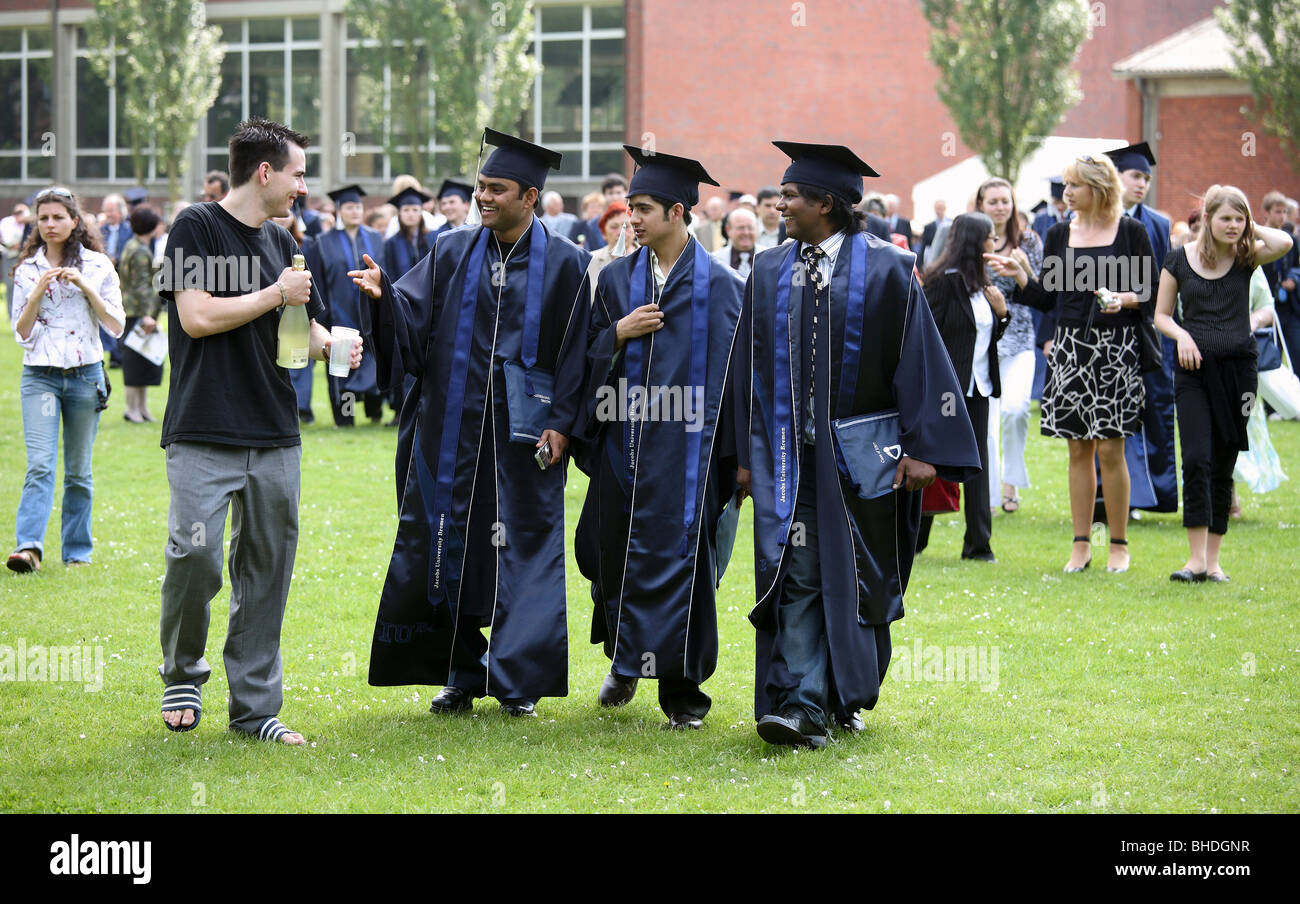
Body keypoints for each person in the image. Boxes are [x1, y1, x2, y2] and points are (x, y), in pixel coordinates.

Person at [732, 141, 981, 749]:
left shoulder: (890, 268)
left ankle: (848, 693)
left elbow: (920, 359)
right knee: (797, 570)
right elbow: (746, 366)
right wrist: (741, 454)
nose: (779, 204)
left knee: (866, 578)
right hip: (791, 459)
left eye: (791, 196)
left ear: (828, 203)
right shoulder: (768, 270)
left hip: (869, 456)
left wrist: (924, 450)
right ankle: (801, 704)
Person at [353, 128, 591, 719]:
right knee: (446, 542)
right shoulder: (453, 249)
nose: (482, 197)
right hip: (449, 432)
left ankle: (519, 681)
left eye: (496, 189)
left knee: (527, 549)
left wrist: (563, 422)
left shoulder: (568, 263)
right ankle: (459, 672)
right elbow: (413, 322)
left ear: (529, 197)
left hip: (525, 439)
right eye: (480, 186)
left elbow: (581, 352)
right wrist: (386, 300)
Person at [154, 118, 363, 744]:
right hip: (204, 426)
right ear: (265, 172)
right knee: (193, 555)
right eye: (298, 173)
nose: (304, 186)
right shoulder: (196, 225)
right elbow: (195, 317)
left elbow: (303, 327)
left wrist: (336, 345)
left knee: (266, 570)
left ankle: (255, 711)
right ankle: (182, 672)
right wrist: (276, 293)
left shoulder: (285, 240)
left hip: (274, 431)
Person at [572, 145, 743, 730]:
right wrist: (616, 334)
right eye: (628, 207)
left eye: (643, 208)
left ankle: (683, 694)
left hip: (690, 457)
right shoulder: (616, 280)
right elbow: (581, 357)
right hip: (624, 446)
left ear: (677, 212)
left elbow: (741, 381)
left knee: (685, 568)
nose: (631, 219)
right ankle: (623, 662)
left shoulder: (722, 287)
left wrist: (737, 460)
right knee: (613, 556)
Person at [988, 154, 1154, 574]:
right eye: (1065, 185)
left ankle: (1118, 544)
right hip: (1070, 349)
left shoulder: (1131, 232)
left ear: (1098, 188)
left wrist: (1125, 299)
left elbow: (1152, 290)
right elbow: (1048, 298)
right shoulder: (1061, 233)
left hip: (1116, 349)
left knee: (1113, 450)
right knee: (1078, 450)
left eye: (1074, 185)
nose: (1067, 192)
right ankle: (1081, 545)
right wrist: (1022, 276)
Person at [1155, 185, 1293, 582]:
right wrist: (1181, 336)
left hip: (1240, 372)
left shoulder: (1248, 256)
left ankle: (1213, 563)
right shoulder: (1179, 259)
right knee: (1196, 458)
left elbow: (1284, 241)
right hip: (1193, 373)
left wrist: (1252, 225)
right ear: (1208, 219)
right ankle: (1194, 560)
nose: (1233, 226)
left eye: (1240, 219)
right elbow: (1161, 315)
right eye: (1226, 218)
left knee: (1224, 461)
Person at [7, 187, 124, 574]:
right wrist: (37, 294)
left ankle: (77, 551)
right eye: (43, 218)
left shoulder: (98, 266)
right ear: (36, 225)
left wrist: (87, 288)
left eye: (58, 217)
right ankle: (29, 549)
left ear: (75, 222)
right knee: (40, 465)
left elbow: (115, 325)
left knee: (79, 470)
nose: (50, 224)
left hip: (85, 377)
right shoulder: (26, 271)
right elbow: (21, 334)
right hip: (40, 378)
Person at [916, 212, 1010, 561]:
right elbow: (927, 335)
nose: (994, 243)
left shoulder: (984, 284)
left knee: (978, 464)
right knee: (931, 460)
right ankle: (915, 538)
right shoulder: (940, 281)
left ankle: (978, 545)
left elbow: (983, 338)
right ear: (974, 241)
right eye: (990, 237)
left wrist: (1002, 315)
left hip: (979, 388)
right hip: (946, 391)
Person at [1105, 141, 1178, 517]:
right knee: (1111, 416)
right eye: (1135, 175)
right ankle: (1114, 499)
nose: (1142, 184)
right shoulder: (1097, 221)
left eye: (1147, 178)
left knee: (1155, 410)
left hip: (1148, 333)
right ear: (1116, 176)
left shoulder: (1159, 224)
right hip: (1105, 333)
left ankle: (1156, 494)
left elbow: (1166, 282)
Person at [975, 178, 1043, 515]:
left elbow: (1043, 290)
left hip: (1019, 339)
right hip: (982, 343)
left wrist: (1021, 270)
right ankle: (988, 495)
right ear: (981, 204)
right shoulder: (971, 239)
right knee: (986, 425)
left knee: (1016, 410)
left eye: (1006, 201)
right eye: (993, 201)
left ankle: (1011, 482)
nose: (1001, 207)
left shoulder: (1028, 240)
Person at [305, 185, 385, 426]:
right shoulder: (323, 241)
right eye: (349, 207)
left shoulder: (374, 237)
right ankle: (345, 416)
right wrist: (323, 315)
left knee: (372, 361)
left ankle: (374, 412)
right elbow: (319, 280)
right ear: (339, 211)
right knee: (342, 365)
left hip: (370, 312)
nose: (354, 211)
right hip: (338, 312)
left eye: (358, 207)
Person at [116, 205, 165, 423]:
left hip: (136, 311)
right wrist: (148, 315)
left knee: (143, 360)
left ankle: (141, 408)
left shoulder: (133, 246)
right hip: (136, 313)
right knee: (134, 362)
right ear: (152, 226)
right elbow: (142, 286)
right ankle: (131, 409)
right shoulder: (140, 251)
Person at [584, 200, 634, 303]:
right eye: (614, 227)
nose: (621, 232)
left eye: (627, 226)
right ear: (604, 233)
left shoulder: (649, 257)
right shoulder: (590, 261)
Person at [572, 174, 628, 250]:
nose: (615, 197)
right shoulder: (593, 225)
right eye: (610, 193)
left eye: (618, 193)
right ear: (604, 195)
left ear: (626, 194)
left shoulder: (635, 220)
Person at [711, 205, 758, 277]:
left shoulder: (770, 258)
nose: (746, 232)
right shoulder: (714, 260)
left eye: (750, 228)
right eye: (741, 228)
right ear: (728, 230)